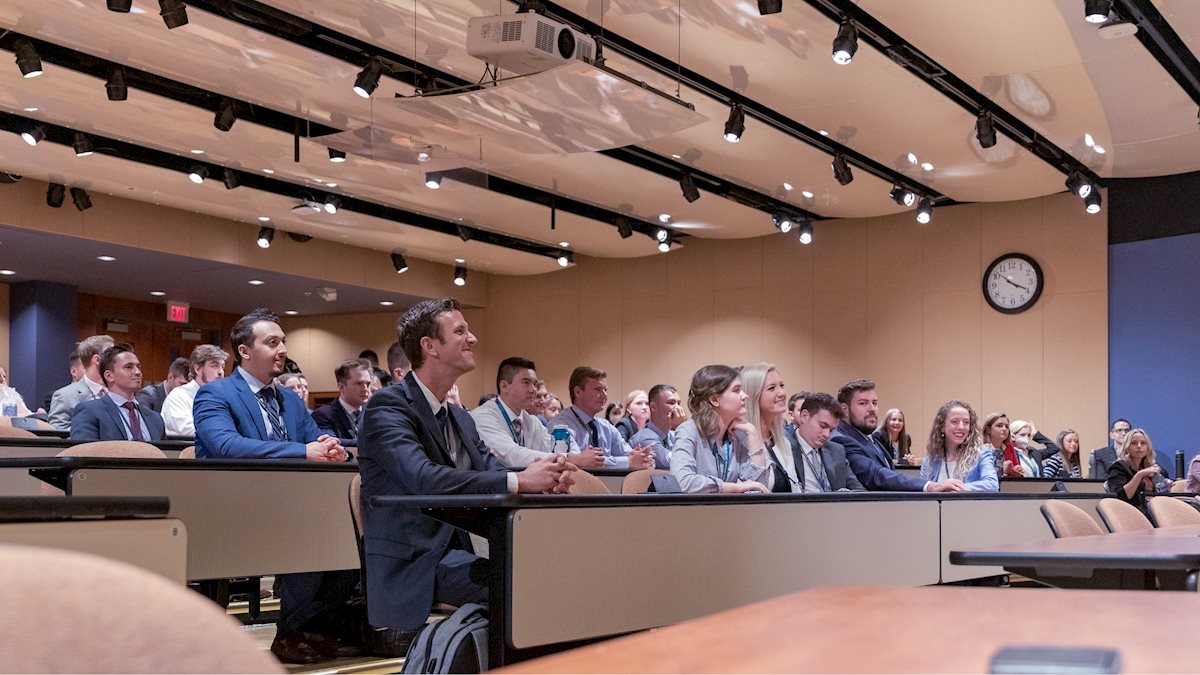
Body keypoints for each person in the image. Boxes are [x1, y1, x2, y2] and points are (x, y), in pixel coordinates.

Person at [357, 299, 575, 657]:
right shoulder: (387, 406)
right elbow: (423, 478)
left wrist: (545, 479)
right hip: (415, 561)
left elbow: (493, 473)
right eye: (460, 331)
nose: (472, 338)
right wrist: (521, 481)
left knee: (563, 579)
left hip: (461, 551)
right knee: (528, 590)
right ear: (430, 346)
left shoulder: (460, 417)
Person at [192, 309, 351, 664]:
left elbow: (315, 442)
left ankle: (308, 627)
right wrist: (305, 451)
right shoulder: (215, 394)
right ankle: (291, 631)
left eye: (283, 342)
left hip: (290, 504)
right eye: (272, 342)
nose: (282, 350)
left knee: (350, 530)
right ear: (244, 350)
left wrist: (331, 448)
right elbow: (226, 446)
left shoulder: (291, 400)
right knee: (309, 530)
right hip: (231, 507)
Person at [831, 379, 963, 492]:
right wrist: (928, 486)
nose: (872, 409)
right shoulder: (841, 440)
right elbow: (875, 475)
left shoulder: (868, 436)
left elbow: (889, 472)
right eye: (863, 403)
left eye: (874, 403)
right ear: (844, 409)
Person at [470, 356, 599, 468]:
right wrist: (571, 459)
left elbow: (554, 444)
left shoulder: (531, 421)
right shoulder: (484, 416)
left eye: (535, 384)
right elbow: (511, 455)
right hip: (492, 492)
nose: (533, 390)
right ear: (504, 387)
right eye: (526, 383)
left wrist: (577, 455)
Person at [669, 364, 774, 494]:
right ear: (714, 399)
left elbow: (760, 486)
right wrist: (735, 487)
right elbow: (682, 482)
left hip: (731, 512)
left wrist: (752, 433)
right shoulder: (688, 431)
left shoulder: (738, 435)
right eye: (736, 390)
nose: (745, 395)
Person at [546, 366, 653, 469]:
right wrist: (628, 462)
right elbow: (578, 461)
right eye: (598, 389)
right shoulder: (559, 425)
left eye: (605, 390)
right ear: (578, 392)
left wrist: (642, 457)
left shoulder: (606, 426)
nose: (604, 395)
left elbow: (628, 453)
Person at [69, 344, 166, 442]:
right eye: (128, 367)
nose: (137, 372)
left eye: (138, 367)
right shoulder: (89, 411)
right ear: (109, 376)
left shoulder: (156, 419)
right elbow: (83, 454)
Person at [785, 393, 865, 492]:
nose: (827, 434)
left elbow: (859, 491)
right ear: (804, 416)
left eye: (831, 430)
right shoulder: (784, 448)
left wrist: (846, 495)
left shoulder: (836, 451)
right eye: (823, 426)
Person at [919, 401, 997, 492]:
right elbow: (923, 489)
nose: (961, 427)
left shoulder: (981, 453)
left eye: (966, 422)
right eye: (954, 422)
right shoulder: (930, 460)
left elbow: (992, 485)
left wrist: (956, 488)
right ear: (942, 427)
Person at [740, 364, 793, 491]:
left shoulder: (784, 442)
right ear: (753, 395)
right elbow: (753, 493)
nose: (782, 393)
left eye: (781, 386)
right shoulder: (739, 443)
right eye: (771, 388)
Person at [48, 335, 115, 431]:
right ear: (97, 360)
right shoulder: (65, 396)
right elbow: (57, 435)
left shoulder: (119, 391)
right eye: (111, 356)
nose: (117, 360)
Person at [161, 344, 227, 438]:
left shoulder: (223, 398)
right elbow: (187, 430)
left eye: (223, 367)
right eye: (215, 366)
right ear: (197, 369)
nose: (221, 372)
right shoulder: (178, 396)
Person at [1105, 428, 1172, 513]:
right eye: (1134, 443)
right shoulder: (1118, 467)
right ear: (1127, 447)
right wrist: (1140, 474)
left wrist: (1166, 487)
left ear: (1148, 447)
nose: (1139, 446)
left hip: (1155, 510)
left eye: (1143, 443)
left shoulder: (1153, 468)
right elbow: (1122, 496)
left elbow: (1161, 497)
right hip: (1131, 513)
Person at [312, 358, 374, 444]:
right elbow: (330, 442)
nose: (365, 389)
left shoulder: (373, 411)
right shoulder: (323, 414)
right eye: (359, 383)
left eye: (368, 384)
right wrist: (373, 443)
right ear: (341, 387)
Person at [630, 384, 684, 470]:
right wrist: (680, 428)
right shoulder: (645, 438)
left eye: (679, 403)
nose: (678, 408)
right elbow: (678, 462)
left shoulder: (672, 435)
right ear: (653, 407)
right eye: (671, 403)